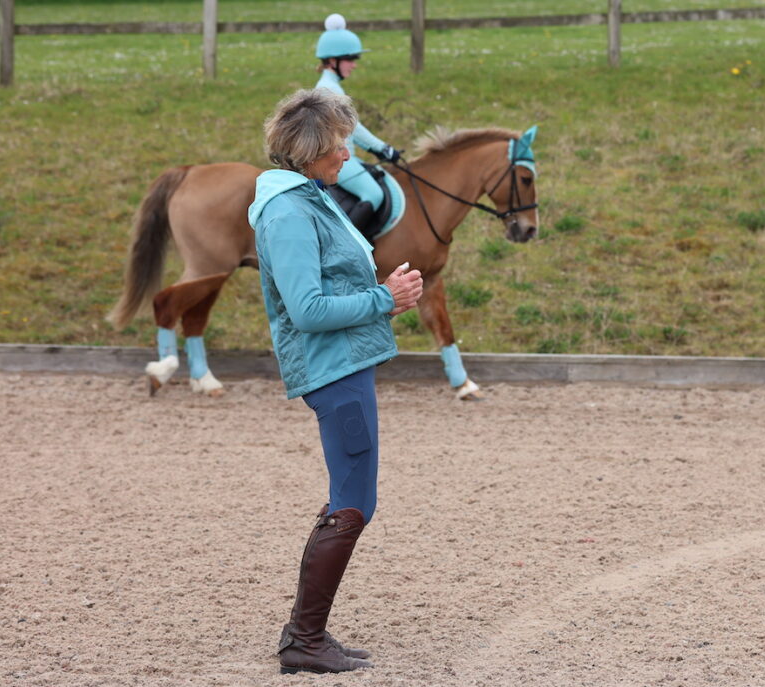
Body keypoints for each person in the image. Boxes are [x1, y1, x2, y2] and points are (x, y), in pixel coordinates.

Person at [248, 88, 424, 675]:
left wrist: (385, 297)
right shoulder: (290, 211)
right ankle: (303, 639)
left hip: (346, 364)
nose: (348, 154)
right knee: (354, 502)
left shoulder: (310, 197)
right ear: (310, 151)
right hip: (332, 371)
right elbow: (306, 309)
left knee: (353, 499)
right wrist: (383, 298)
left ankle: (307, 633)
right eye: (339, 145)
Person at [313, 13, 405, 238]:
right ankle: (344, 244)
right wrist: (383, 148)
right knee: (374, 194)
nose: (354, 65)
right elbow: (353, 127)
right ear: (333, 61)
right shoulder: (329, 90)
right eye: (350, 59)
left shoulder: (330, 86)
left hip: (347, 155)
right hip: (342, 159)